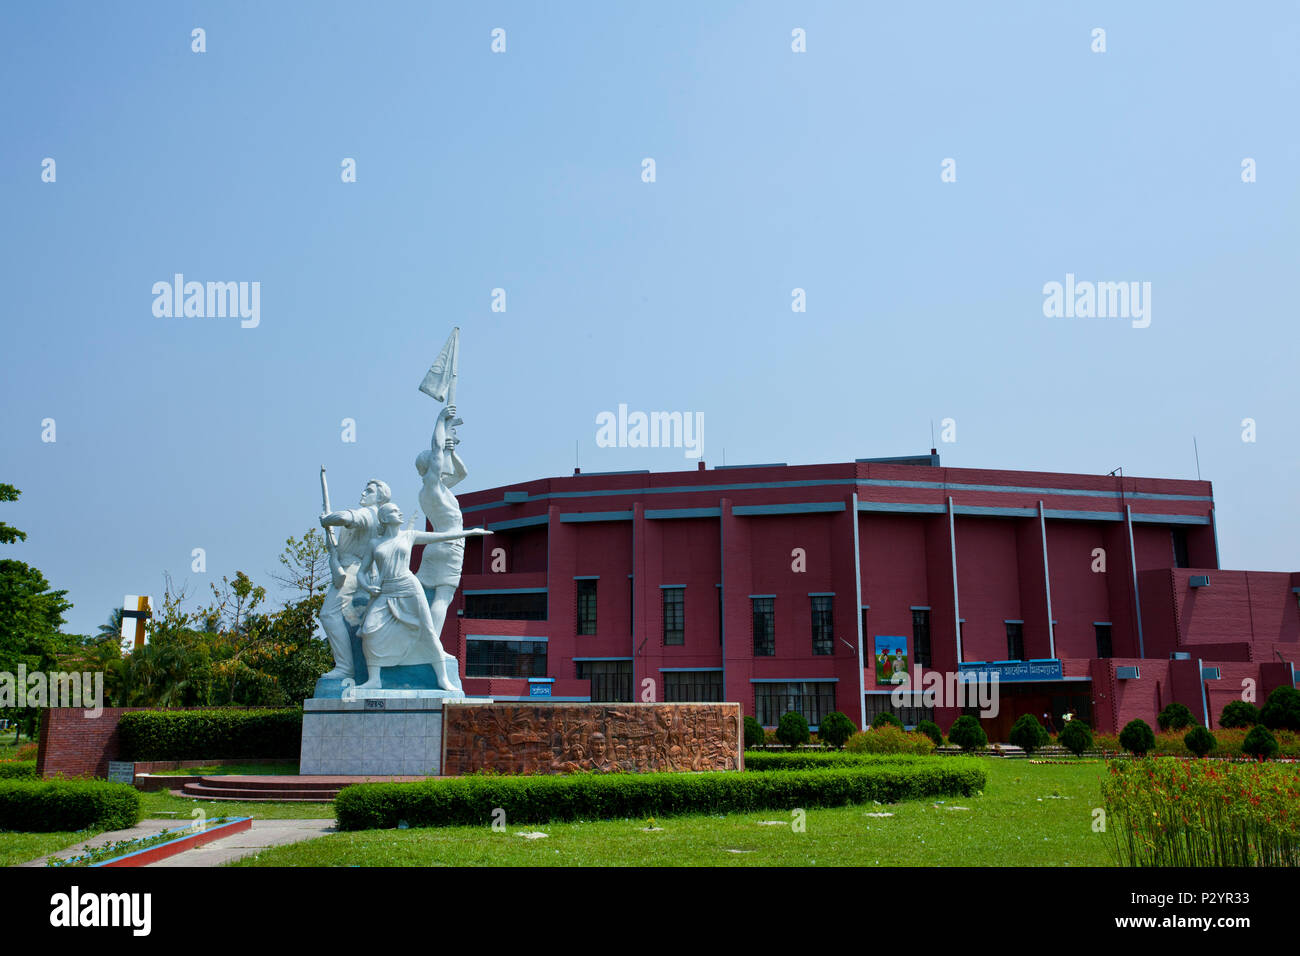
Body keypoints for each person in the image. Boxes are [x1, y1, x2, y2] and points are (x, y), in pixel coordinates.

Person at [355, 502, 490, 692]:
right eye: (394, 510)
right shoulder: (375, 543)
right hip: (386, 592)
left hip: (409, 588)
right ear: (384, 519)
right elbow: (362, 572)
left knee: (428, 631)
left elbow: (441, 536)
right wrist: (367, 585)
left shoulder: (409, 536)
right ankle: (374, 679)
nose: (400, 511)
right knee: (369, 630)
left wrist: (469, 533)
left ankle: (442, 679)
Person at [317, 479, 390, 680]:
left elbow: (347, 517)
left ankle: (344, 667)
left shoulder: (368, 513)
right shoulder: (374, 516)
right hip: (357, 568)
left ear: (379, 497)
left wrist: (328, 519)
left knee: (328, 614)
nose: (364, 493)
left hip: (352, 568)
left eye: (369, 491)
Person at [415, 404, 469, 648]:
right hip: (451, 546)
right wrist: (439, 420)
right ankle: (432, 643)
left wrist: (453, 451)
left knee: (425, 597)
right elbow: (437, 450)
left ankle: (415, 635)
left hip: (436, 547)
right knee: (442, 598)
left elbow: (462, 474)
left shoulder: (432, 492)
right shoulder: (433, 487)